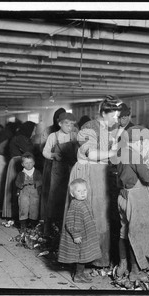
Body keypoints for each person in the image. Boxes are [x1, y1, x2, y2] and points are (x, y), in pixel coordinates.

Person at [63, 95, 121, 267]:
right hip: (87, 173)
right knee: (87, 215)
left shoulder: (108, 129)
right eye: (113, 115)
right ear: (103, 113)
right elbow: (92, 154)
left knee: (102, 216)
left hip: (100, 173)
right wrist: (113, 153)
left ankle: (99, 260)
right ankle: (84, 261)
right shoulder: (89, 127)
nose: (116, 119)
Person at [116, 125, 149, 280]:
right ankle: (135, 272)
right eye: (147, 143)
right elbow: (148, 177)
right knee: (137, 234)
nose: (148, 146)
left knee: (124, 232)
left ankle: (123, 266)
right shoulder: (135, 155)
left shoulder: (122, 153)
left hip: (123, 196)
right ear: (139, 142)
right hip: (136, 198)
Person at [58, 179, 102, 283]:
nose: (82, 193)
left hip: (85, 233)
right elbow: (71, 222)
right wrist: (76, 235)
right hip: (79, 235)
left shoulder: (83, 202)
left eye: (84, 190)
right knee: (81, 255)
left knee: (84, 254)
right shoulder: (76, 205)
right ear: (72, 194)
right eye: (79, 191)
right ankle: (78, 275)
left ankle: (80, 273)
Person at [42, 112, 78, 232]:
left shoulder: (74, 136)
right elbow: (45, 152)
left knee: (70, 195)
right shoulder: (53, 136)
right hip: (57, 170)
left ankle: (66, 225)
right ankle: (49, 225)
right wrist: (53, 155)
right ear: (59, 124)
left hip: (71, 169)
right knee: (54, 196)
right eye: (67, 124)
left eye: (72, 125)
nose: (70, 127)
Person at [40, 108, 67, 233]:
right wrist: (53, 155)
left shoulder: (71, 132)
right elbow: (42, 149)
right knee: (50, 194)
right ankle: (48, 223)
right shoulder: (48, 131)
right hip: (51, 166)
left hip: (65, 168)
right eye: (57, 119)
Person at [3, 121, 37, 219]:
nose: (34, 133)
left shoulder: (21, 137)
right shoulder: (21, 138)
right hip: (17, 163)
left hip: (18, 162)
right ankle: (16, 214)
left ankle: (16, 213)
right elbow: (29, 152)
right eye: (33, 131)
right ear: (28, 130)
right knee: (17, 188)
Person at [15, 152, 43, 233]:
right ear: (22, 164)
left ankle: (33, 225)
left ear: (34, 163)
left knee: (34, 208)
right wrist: (21, 184)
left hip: (35, 193)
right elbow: (17, 183)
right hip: (24, 192)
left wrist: (36, 183)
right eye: (26, 163)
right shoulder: (21, 174)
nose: (29, 165)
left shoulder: (37, 172)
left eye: (31, 162)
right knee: (23, 207)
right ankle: (23, 226)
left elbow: (41, 180)